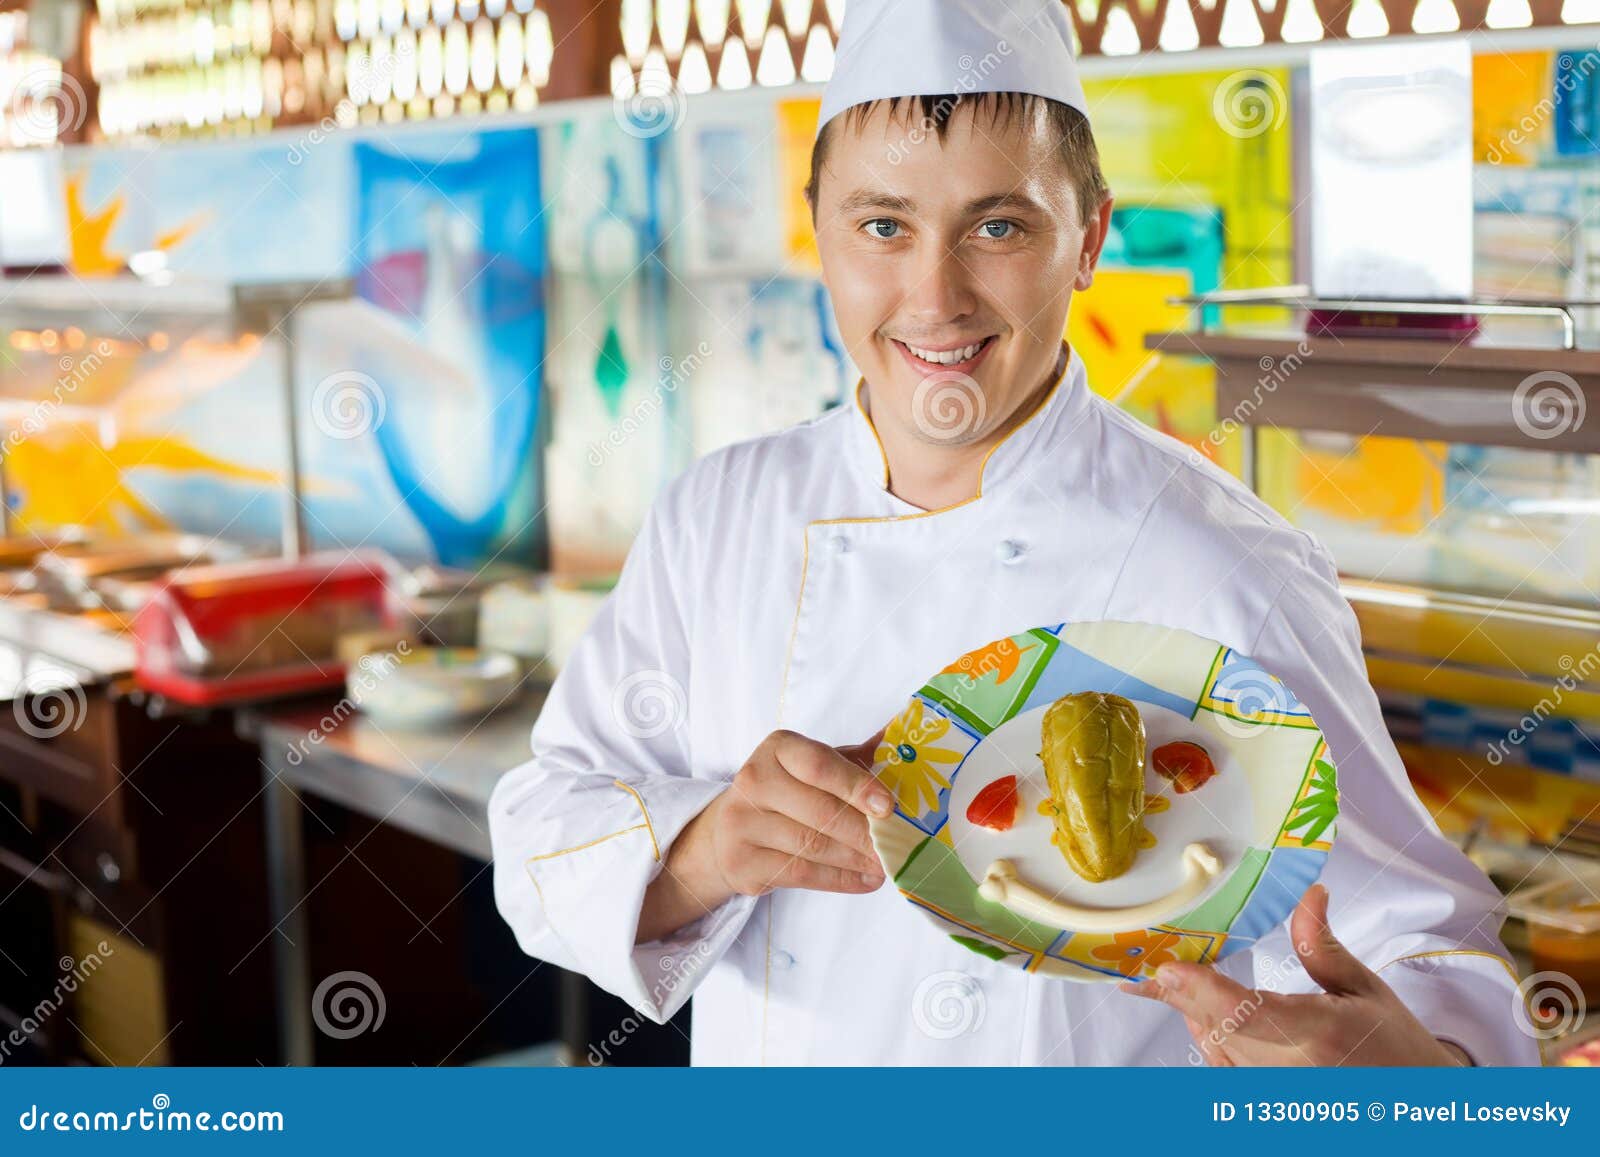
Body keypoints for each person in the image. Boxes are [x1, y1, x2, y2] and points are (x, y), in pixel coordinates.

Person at [488, 0, 1538, 1065]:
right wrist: (701, 851)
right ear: (820, 233)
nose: (934, 297)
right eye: (882, 225)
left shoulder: (1221, 563)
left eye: (998, 227)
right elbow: (540, 829)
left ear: (1085, 240)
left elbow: (1422, 946)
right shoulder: (717, 518)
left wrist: (1413, 1065)